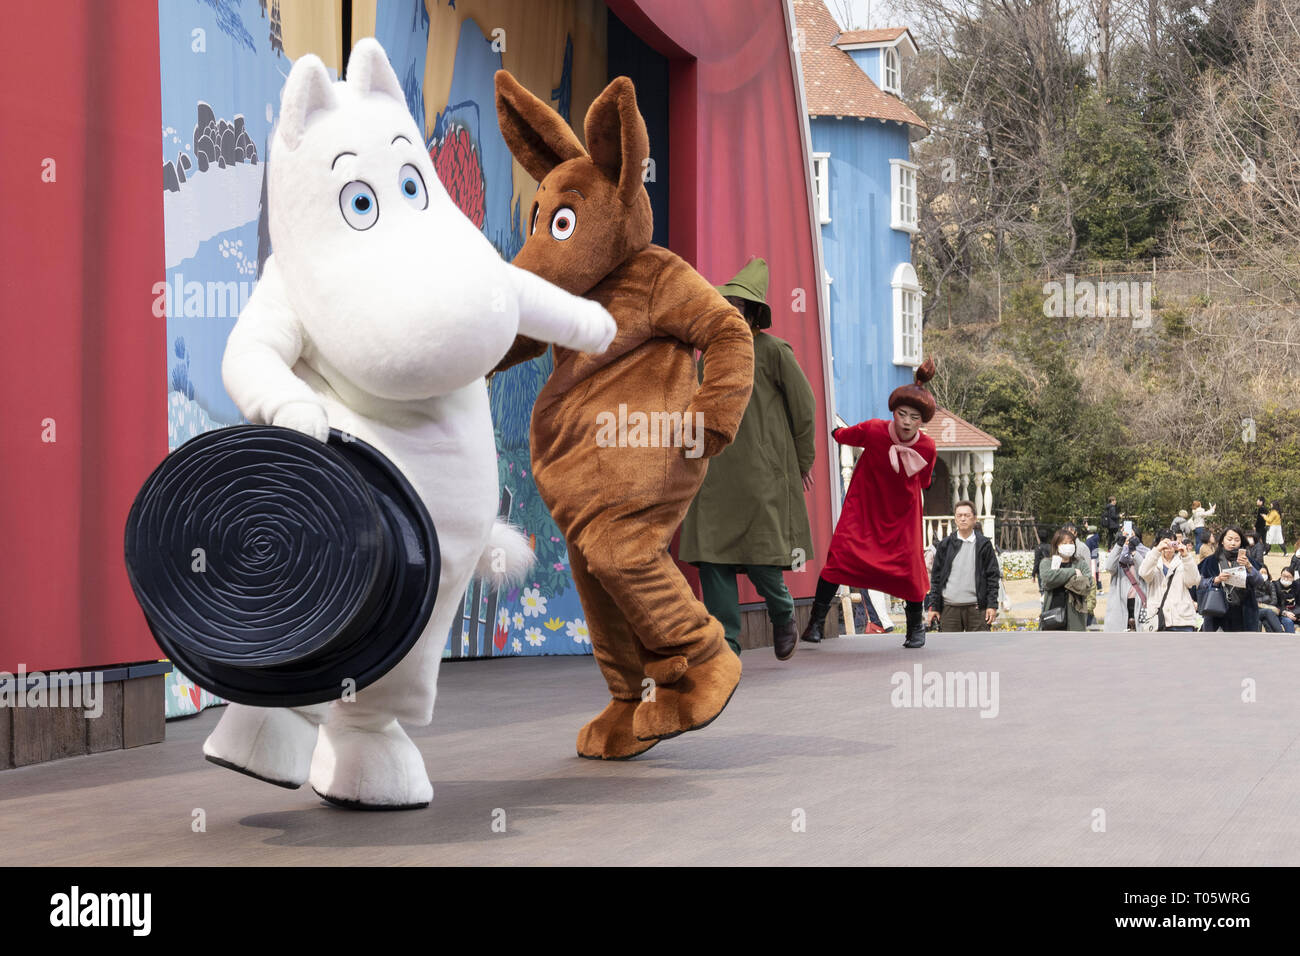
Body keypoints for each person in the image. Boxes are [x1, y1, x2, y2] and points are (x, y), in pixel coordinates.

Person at [679, 258, 817, 662]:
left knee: (761, 553)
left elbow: (804, 409)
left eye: (737, 304)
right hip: (714, 470)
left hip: (761, 471)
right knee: (710, 556)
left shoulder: (774, 352)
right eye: (725, 303)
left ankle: (782, 610)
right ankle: (727, 648)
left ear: (753, 312)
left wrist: (802, 462)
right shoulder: (710, 355)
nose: (729, 310)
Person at [801, 359, 938, 649]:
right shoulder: (874, 430)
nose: (906, 422)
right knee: (839, 559)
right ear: (893, 412)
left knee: (910, 568)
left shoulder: (927, 447)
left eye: (914, 417)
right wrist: (833, 430)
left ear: (922, 421)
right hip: (864, 511)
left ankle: (916, 629)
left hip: (902, 518)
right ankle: (815, 622)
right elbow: (842, 435)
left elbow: (925, 481)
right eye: (902, 414)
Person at [925, 500, 1001, 632]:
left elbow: (993, 577)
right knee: (948, 650)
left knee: (981, 648)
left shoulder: (984, 545)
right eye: (959, 515)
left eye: (967, 515)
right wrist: (934, 607)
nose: (963, 519)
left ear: (975, 519)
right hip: (949, 608)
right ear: (955, 519)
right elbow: (936, 579)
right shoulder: (945, 545)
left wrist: (992, 605)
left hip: (977, 608)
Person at [1197, 526, 1263, 632]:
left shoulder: (1247, 560)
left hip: (1244, 612)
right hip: (1216, 610)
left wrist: (1249, 567)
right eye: (1229, 539)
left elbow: (1259, 582)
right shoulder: (1210, 561)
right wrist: (1216, 580)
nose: (1233, 543)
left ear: (1241, 542)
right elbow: (1199, 584)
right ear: (1222, 541)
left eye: (1237, 540)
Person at [1137, 532, 1202, 631]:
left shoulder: (1183, 561)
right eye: (1164, 542)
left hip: (1182, 620)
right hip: (1158, 619)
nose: (1168, 545)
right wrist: (1157, 550)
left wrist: (1186, 556)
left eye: (1171, 542)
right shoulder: (1153, 561)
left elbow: (1193, 581)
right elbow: (1144, 573)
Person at [1038, 528, 1095, 631]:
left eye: (1071, 542)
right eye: (1064, 543)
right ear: (1057, 545)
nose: (1068, 545)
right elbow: (1048, 578)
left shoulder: (1080, 563)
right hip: (1052, 614)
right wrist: (1073, 572)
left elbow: (1087, 583)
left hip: (1075, 617)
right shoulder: (1047, 563)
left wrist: (1059, 579)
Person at [1104, 528, 1148, 631]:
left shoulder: (1145, 554)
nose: (1129, 538)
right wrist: (1119, 545)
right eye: (1126, 536)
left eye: (1132, 536)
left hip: (1140, 603)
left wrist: (1135, 552)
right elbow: (1109, 567)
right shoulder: (1117, 555)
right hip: (1120, 604)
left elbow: (1145, 571)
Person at [1253, 564, 1292, 633]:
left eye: (1265, 573)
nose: (1263, 575)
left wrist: (1262, 604)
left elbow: (1274, 601)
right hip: (1255, 611)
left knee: (1266, 622)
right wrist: (1268, 598)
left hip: (1264, 611)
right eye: (1261, 573)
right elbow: (1253, 602)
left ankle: (1273, 639)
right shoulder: (1252, 585)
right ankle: (1281, 633)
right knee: (1269, 611)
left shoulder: (1270, 585)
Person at [1031, 525, 1053, 593]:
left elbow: (1036, 562)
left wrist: (1033, 574)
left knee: (1043, 590)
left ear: (1039, 537)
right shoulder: (1051, 547)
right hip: (1051, 571)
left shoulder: (1038, 548)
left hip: (1041, 572)